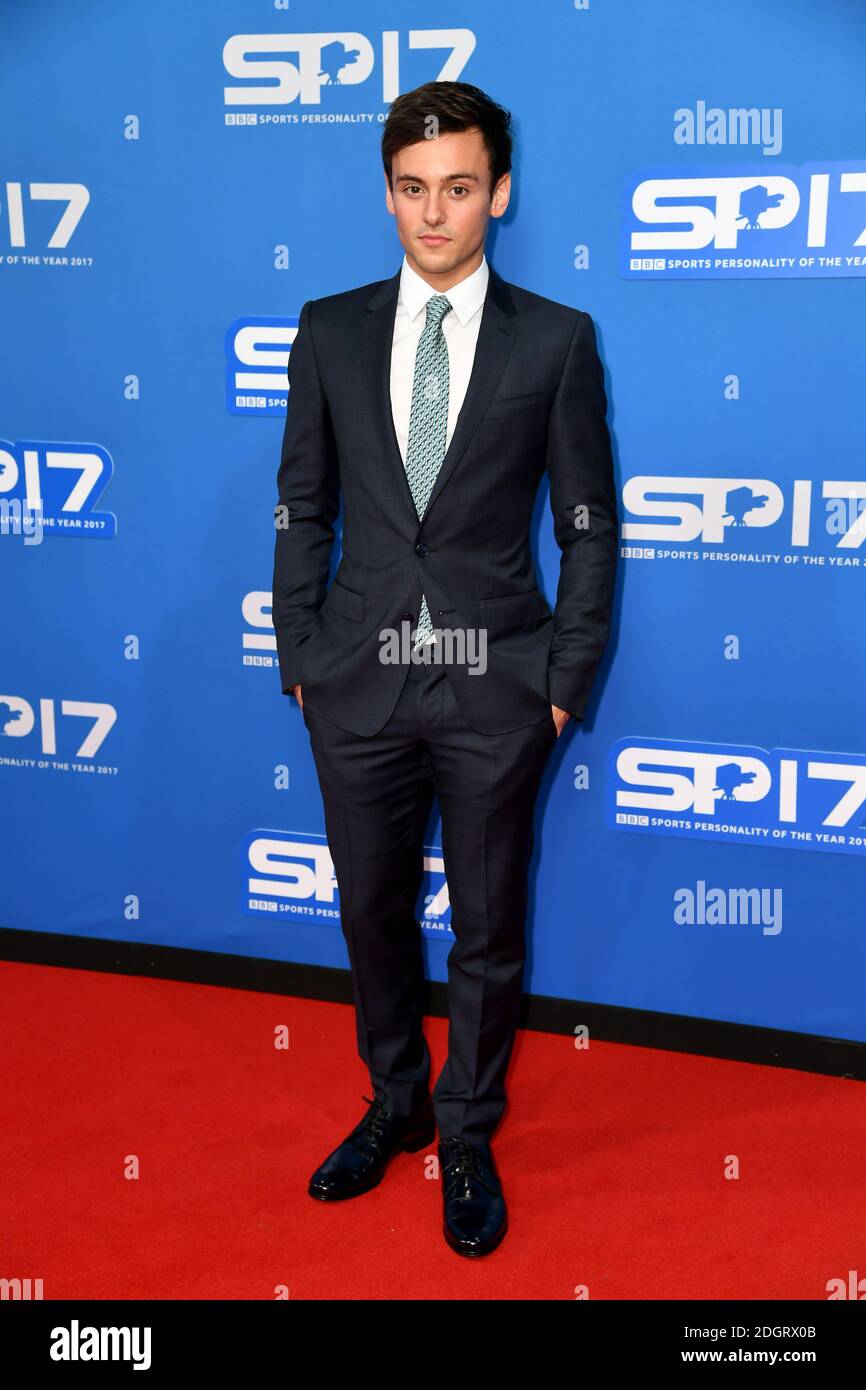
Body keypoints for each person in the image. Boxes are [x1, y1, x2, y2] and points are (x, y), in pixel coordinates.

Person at [271, 79, 618, 1257]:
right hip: (356, 682)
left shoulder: (558, 341)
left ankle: (465, 1128)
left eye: (458, 189)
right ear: (387, 193)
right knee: (370, 909)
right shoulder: (326, 329)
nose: (434, 214)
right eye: (413, 191)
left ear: (498, 193)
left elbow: (587, 524)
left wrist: (560, 677)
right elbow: (301, 508)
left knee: (484, 924)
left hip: (493, 683)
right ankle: (396, 1098)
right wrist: (302, 656)